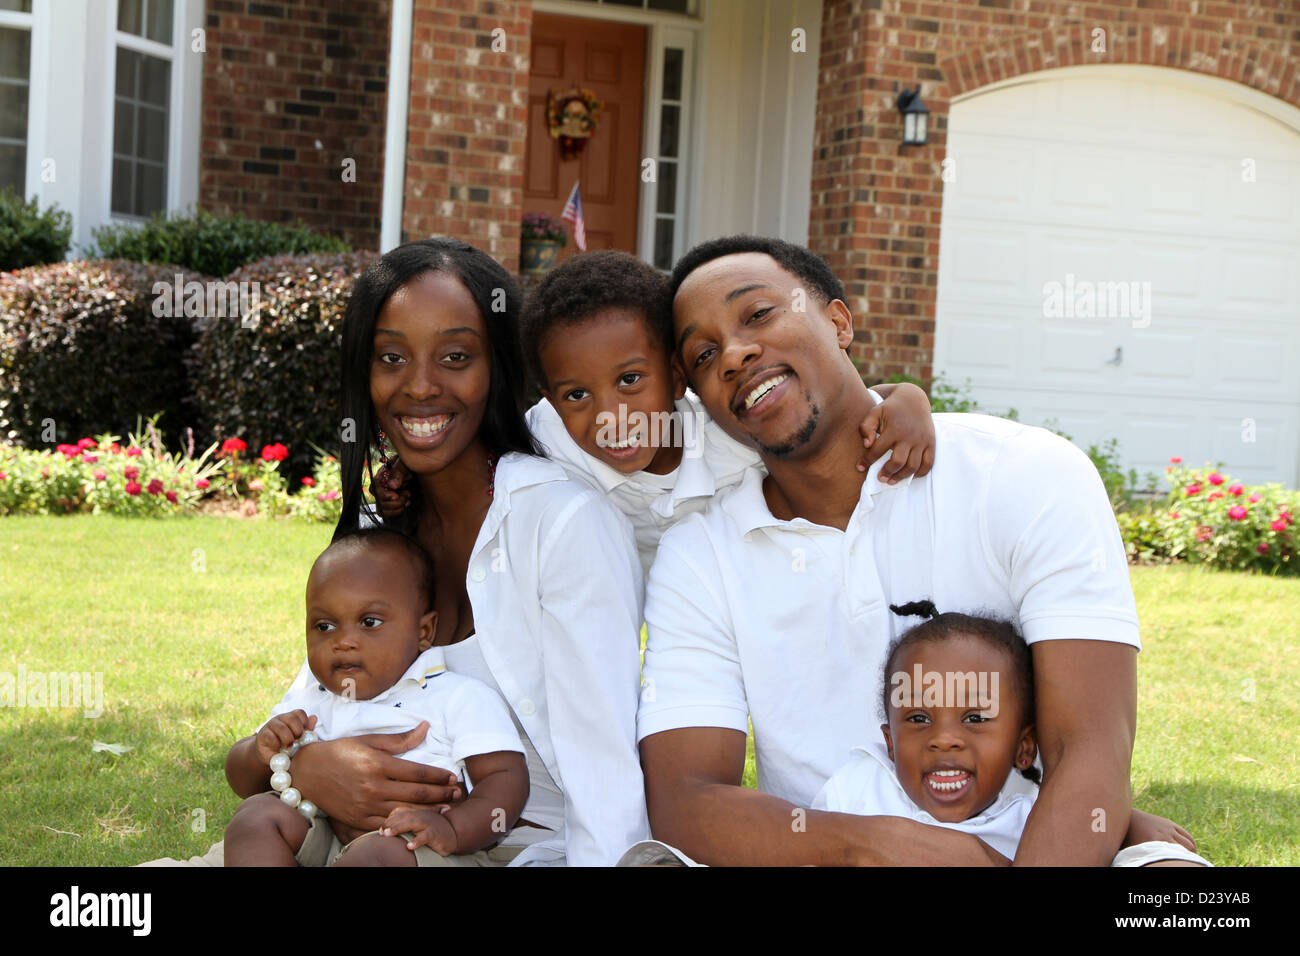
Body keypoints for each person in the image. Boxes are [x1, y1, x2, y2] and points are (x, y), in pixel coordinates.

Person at [629, 234, 1181, 866]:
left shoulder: (1027, 473)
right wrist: (878, 846)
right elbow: (685, 801)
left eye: (758, 314)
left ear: (838, 321)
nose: (735, 352)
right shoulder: (700, 556)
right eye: (704, 354)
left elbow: (1092, 747)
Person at [143, 238, 648, 868]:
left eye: (455, 356)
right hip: (339, 834)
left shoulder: (563, 523)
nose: (420, 386)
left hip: (515, 848)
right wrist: (304, 766)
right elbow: (311, 702)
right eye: (391, 357)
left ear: (497, 368)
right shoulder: (385, 529)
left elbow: (605, 766)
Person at [375, 250, 937, 576]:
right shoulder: (548, 436)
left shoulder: (726, 433)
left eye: (629, 381)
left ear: (676, 374)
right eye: (576, 395)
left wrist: (904, 398)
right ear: (549, 397)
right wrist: (408, 484)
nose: (609, 415)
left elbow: (832, 410)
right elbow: (475, 466)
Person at [811, 603, 1209, 866]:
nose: (944, 738)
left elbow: (1084, 820)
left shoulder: (1026, 819)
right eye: (918, 718)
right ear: (891, 744)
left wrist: (1130, 823)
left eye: (974, 718)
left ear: (1023, 749)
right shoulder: (857, 791)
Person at [223, 528, 530, 867]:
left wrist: (453, 828)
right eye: (325, 626)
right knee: (255, 815)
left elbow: (505, 778)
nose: (344, 641)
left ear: (423, 632)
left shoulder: (457, 697)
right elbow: (241, 779)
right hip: (326, 835)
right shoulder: (311, 700)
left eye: (369, 622)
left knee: (376, 856)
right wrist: (259, 751)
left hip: (417, 849)